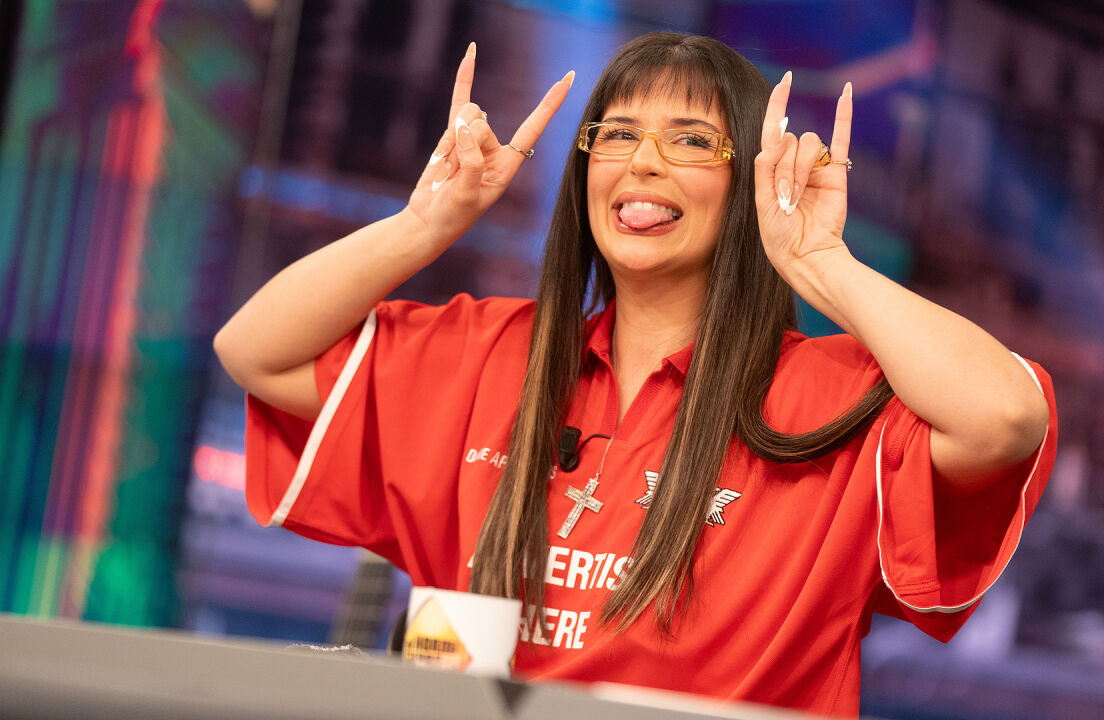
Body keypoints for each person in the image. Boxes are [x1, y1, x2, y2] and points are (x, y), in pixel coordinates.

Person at [215, 33, 1057, 718]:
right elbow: (256, 350)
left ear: (755, 181)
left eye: (691, 140)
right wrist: (422, 227)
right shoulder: (490, 353)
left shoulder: (828, 397)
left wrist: (822, 263)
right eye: (616, 134)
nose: (642, 162)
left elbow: (1004, 419)